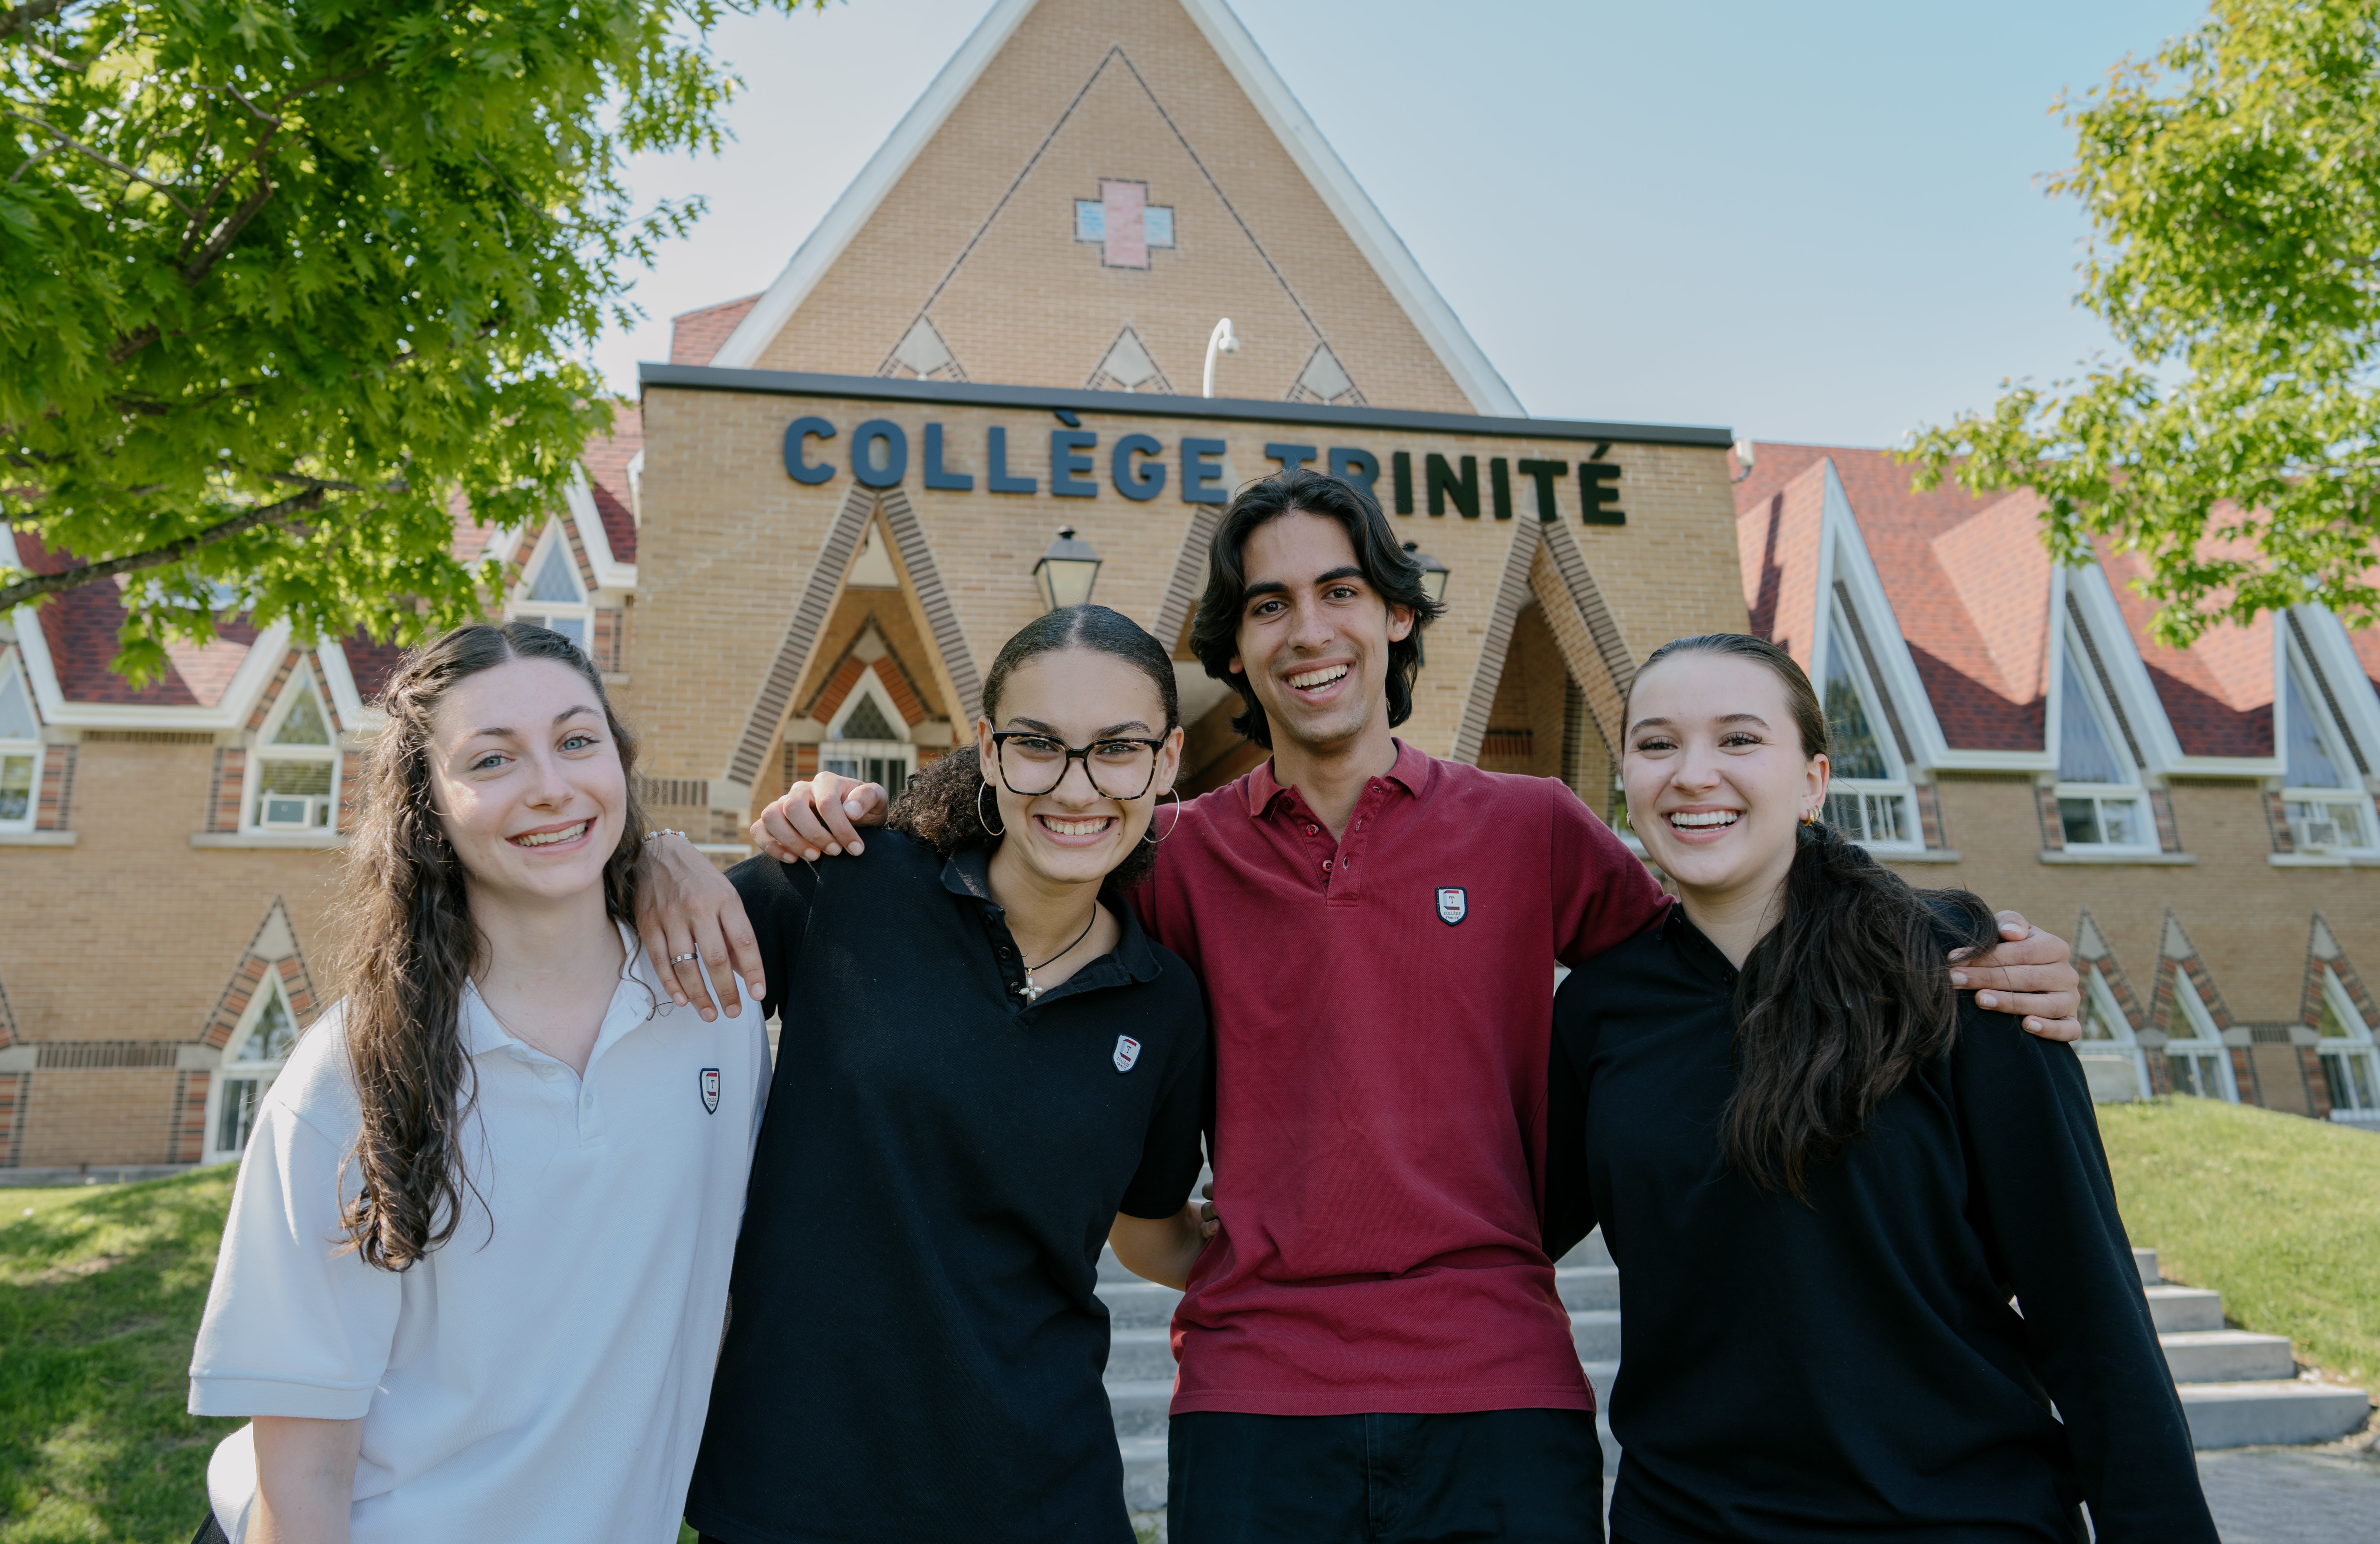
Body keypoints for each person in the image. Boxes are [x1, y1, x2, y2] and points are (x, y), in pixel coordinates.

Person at [640, 470, 2089, 1544]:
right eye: (1267, 603)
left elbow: (1733, 949)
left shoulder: (1532, 830)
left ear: (1397, 616)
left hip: (1501, 1385)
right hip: (1257, 1396)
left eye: (1340, 590)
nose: (1307, 627)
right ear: (1236, 648)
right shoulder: (1178, 849)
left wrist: (1948, 935)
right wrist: (815, 823)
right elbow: (1029, 842)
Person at [1549, 632, 2216, 1543]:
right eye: (1657, 744)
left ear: (1814, 781)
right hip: (1691, 1522)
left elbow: (2086, 1304)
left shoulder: (1963, 976)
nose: (1692, 774)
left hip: (1958, 1518)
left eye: (1739, 740)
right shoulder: (1600, 1011)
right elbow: (1500, 1226)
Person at [186, 622, 769, 1544]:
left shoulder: (717, 1011)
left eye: (577, 741)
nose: (550, 786)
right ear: (431, 806)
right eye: (491, 759)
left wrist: (671, 850)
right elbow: (302, 1463)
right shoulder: (353, 1072)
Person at [682, 604, 1213, 1544]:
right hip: (795, 1486)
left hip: (1040, 1496)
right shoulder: (843, 882)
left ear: (1166, 762)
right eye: (1038, 744)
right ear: (989, 749)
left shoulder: (1165, 1005)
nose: (1077, 787)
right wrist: (655, 864)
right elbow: (640, 976)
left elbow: (1148, 1239)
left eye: (1118, 749)